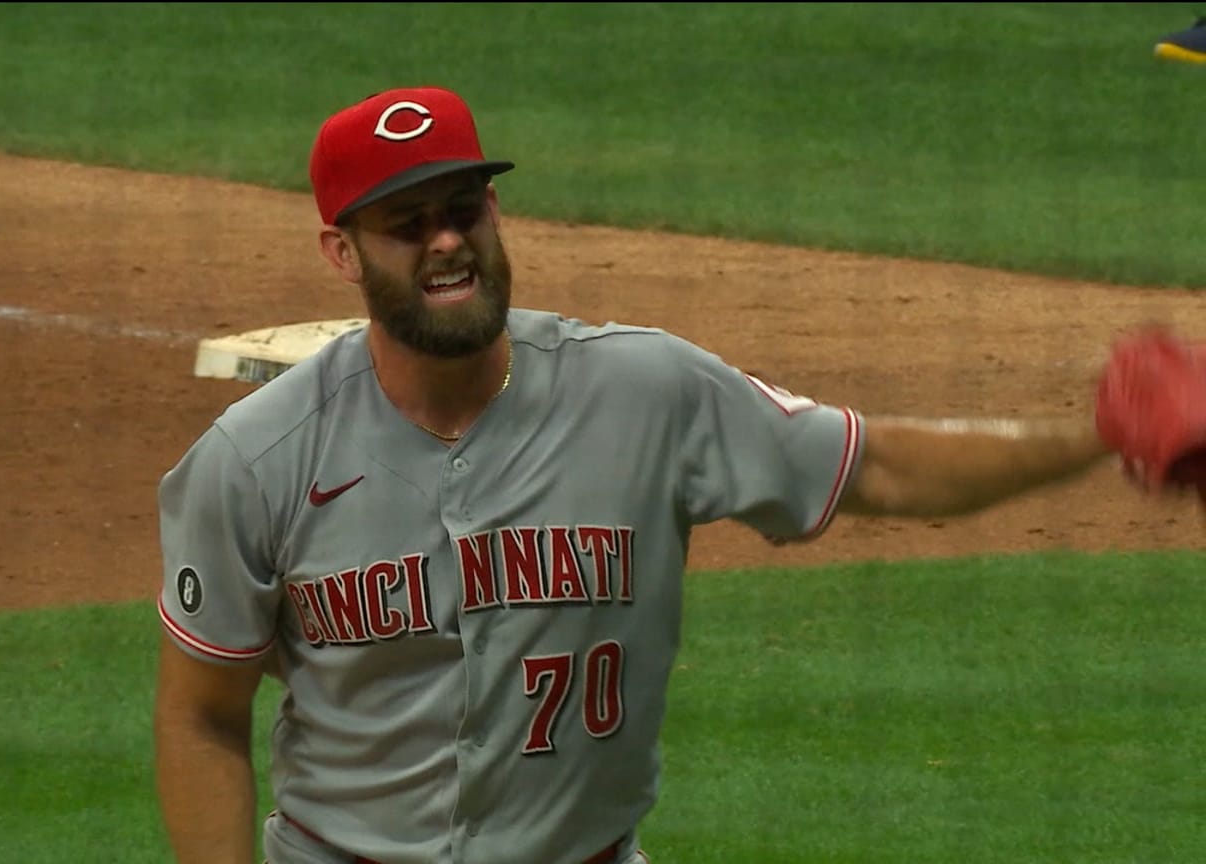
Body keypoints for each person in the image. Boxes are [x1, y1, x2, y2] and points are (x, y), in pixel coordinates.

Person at [151, 86, 1121, 864]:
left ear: (495, 212)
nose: (445, 239)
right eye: (407, 223)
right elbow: (201, 715)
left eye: (462, 209)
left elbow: (883, 468)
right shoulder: (256, 460)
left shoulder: (648, 391)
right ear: (343, 252)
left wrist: (1098, 438)